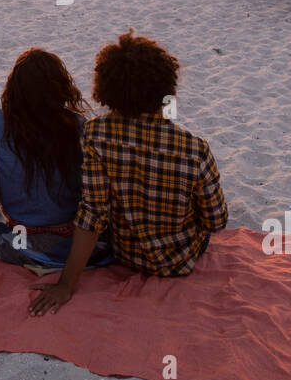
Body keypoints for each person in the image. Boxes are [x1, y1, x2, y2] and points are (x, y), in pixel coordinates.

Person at [29, 30, 229, 316]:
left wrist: (66, 285)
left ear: (107, 88)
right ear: (166, 89)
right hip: (178, 260)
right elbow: (216, 221)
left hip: (125, 254)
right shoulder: (194, 149)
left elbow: (93, 213)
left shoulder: (95, 134)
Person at [0, 48, 110, 272]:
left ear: (15, 89)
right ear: (60, 87)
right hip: (70, 236)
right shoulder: (78, 124)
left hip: (21, 237)